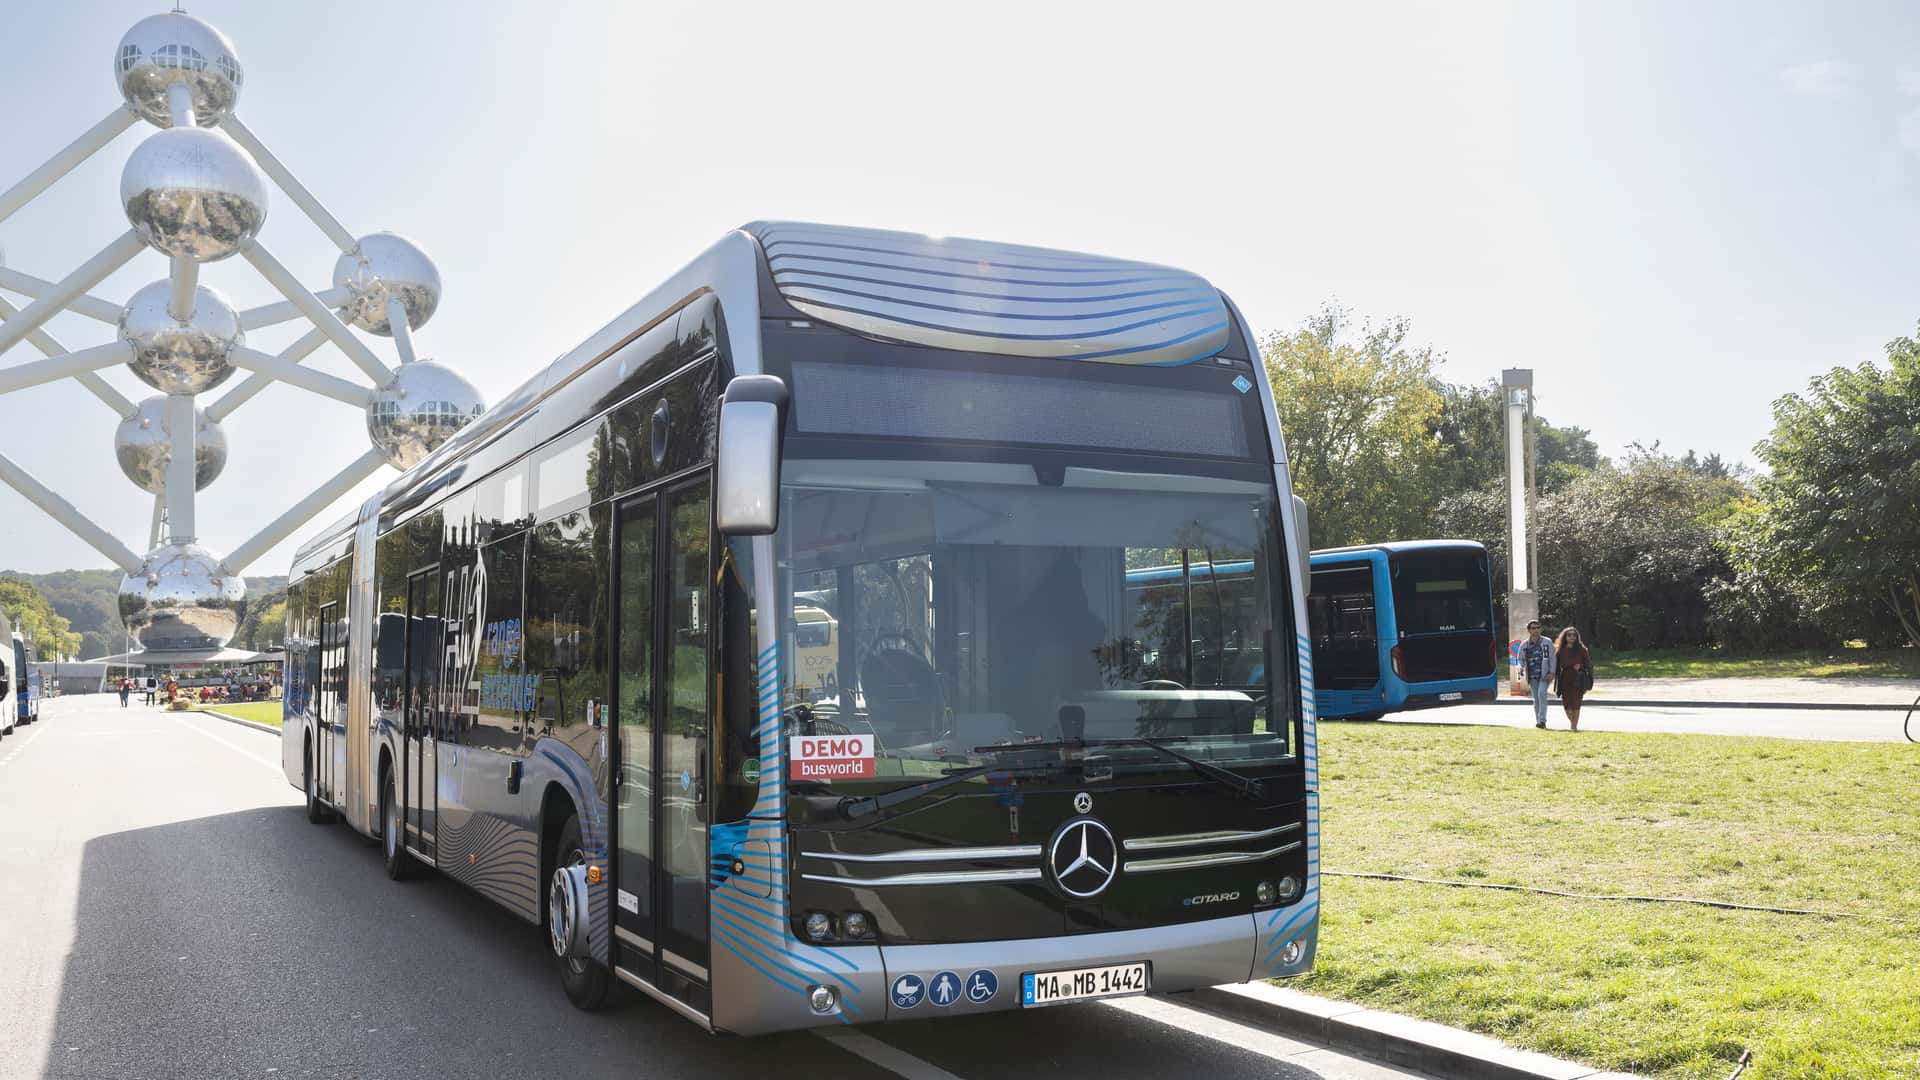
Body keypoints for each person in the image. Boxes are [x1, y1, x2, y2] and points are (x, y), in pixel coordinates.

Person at [1553, 626, 1593, 732]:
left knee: (1576, 702)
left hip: (1578, 678)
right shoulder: (1560, 650)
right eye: (1569, 635)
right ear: (1565, 637)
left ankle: (1574, 727)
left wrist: (1581, 667)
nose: (1571, 637)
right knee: (1566, 703)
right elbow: (1555, 665)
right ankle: (1572, 723)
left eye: (1574, 635)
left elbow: (1588, 664)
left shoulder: (1582, 650)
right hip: (1565, 678)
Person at [1518, 619, 1556, 729]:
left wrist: (1552, 672)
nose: (1536, 630)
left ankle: (1542, 720)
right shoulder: (1524, 644)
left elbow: (1553, 658)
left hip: (1544, 675)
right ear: (1529, 630)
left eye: (1538, 627)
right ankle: (1539, 721)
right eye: (1533, 628)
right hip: (1532, 676)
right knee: (1536, 699)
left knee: (1542, 694)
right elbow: (1520, 659)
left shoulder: (1547, 642)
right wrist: (1520, 668)